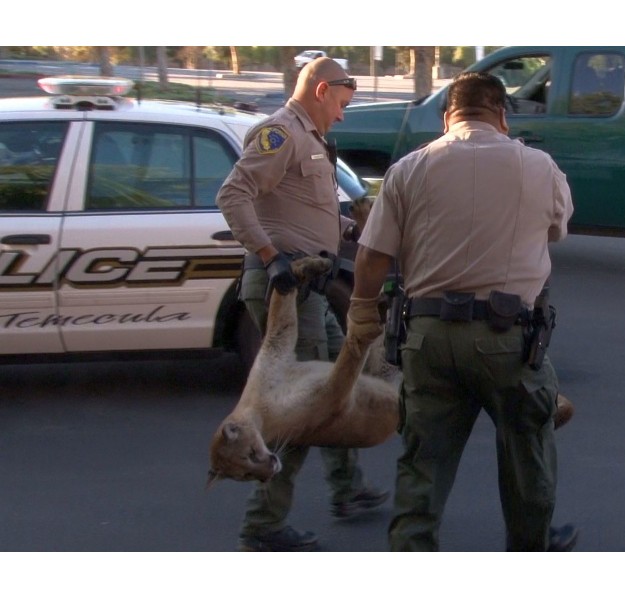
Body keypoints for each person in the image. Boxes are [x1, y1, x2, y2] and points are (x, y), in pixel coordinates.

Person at [347, 71, 576, 551]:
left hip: (427, 338)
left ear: (446, 117)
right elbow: (555, 230)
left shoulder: (408, 169)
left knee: (423, 467)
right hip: (508, 341)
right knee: (527, 460)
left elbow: (371, 256)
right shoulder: (540, 167)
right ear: (502, 115)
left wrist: (362, 313)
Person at [215, 57, 388, 552]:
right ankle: (264, 523)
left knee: (337, 385)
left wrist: (348, 229)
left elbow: (299, 209)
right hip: (287, 289)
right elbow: (233, 195)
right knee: (302, 409)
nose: (343, 114)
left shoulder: (310, 138)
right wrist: (272, 258)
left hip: (310, 288)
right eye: (342, 103)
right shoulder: (282, 133)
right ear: (321, 91)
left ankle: (347, 487)